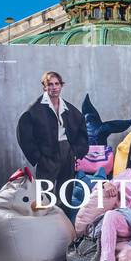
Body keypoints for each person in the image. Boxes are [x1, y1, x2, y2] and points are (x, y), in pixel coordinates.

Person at [16, 70, 89, 202]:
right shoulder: (34, 109)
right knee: (43, 194)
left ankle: (63, 221)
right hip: (47, 155)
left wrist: (76, 152)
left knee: (65, 193)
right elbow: (24, 135)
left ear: (61, 86)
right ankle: (45, 221)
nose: (54, 87)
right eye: (50, 84)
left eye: (57, 84)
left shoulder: (70, 109)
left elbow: (82, 131)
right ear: (44, 86)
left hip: (67, 153)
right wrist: (38, 157)